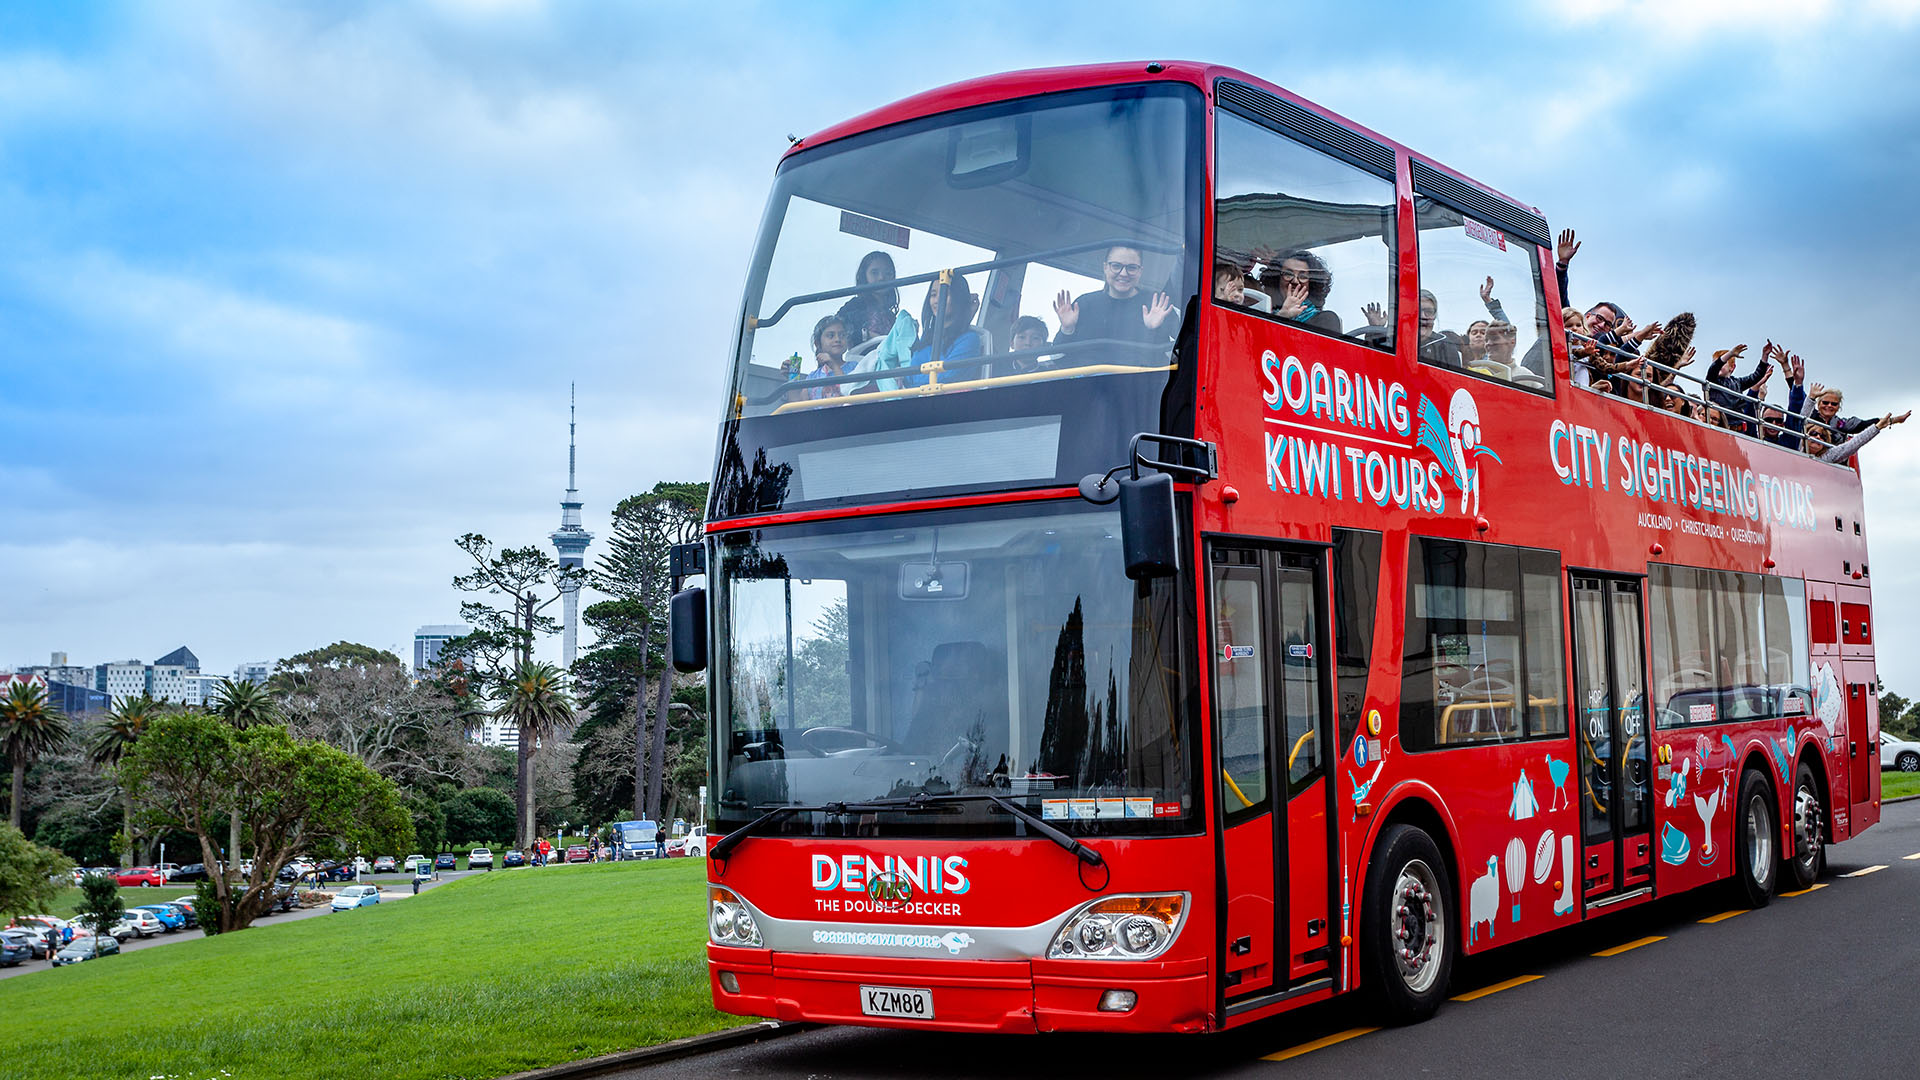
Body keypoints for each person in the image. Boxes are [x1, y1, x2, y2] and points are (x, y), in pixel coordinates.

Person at [1054, 244, 1177, 352]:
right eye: (1116, 266)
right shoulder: (1084, 305)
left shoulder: (1157, 304)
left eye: (1132, 268)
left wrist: (1157, 330)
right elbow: (1057, 359)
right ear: (1105, 267)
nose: (1123, 273)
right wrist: (1067, 329)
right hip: (1091, 378)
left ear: (1140, 271)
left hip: (1144, 378)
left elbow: (1179, 356)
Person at [906, 275, 982, 386]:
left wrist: (912, 381)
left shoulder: (970, 339)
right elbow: (909, 375)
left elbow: (949, 376)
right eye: (933, 295)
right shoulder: (926, 339)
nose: (937, 300)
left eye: (944, 294)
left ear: (958, 298)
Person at [835, 251, 901, 346]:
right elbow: (835, 331)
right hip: (861, 359)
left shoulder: (893, 318)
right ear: (864, 276)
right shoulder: (854, 306)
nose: (881, 278)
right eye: (874, 272)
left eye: (888, 273)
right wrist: (866, 335)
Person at [1705, 344, 1769, 435]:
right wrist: (1730, 354)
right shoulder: (1712, 380)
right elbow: (1714, 368)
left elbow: (1756, 376)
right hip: (1720, 426)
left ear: (1732, 367)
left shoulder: (1738, 383)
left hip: (1738, 430)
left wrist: (1764, 356)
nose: (1718, 365)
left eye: (1723, 363)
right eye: (1715, 362)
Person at [1812, 409, 1910, 463]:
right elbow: (1800, 407)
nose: (1818, 437)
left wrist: (1883, 424)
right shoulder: (1798, 444)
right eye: (1813, 434)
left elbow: (1855, 442)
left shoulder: (1841, 423)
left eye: (1833, 404)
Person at [805, 315, 851, 399]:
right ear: (818, 343)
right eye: (831, 335)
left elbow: (848, 393)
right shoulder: (812, 377)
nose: (837, 339)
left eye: (842, 335)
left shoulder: (856, 367)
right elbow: (799, 406)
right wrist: (791, 377)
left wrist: (834, 366)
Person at [1416, 289, 1461, 367]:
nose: (1422, 316)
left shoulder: (1446, 347)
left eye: (1429, 312)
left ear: (1434, 316)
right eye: (1417, 310)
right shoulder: (1390, 340)